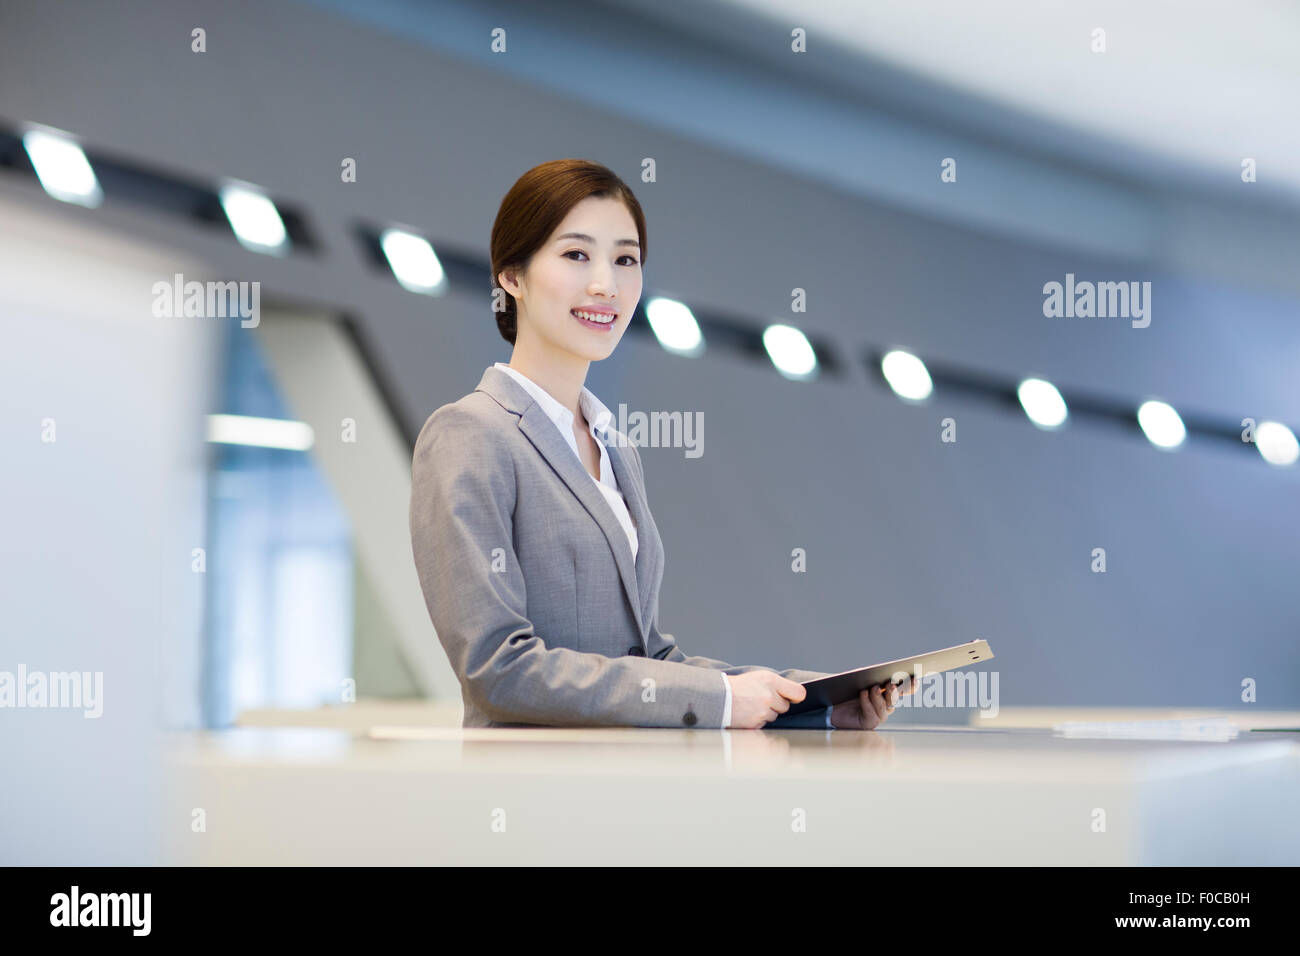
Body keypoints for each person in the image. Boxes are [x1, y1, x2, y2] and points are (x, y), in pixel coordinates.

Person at [409, 159, 915, 730]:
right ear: (512, 276)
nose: (606, 284)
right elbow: (498, 670)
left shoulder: (616, 450)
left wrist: (807, 700)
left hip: (635, 775)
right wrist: (724, 700)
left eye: (626, 260)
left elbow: (647, 659)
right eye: (576, 255)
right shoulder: (470, 434)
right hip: (533, 779)